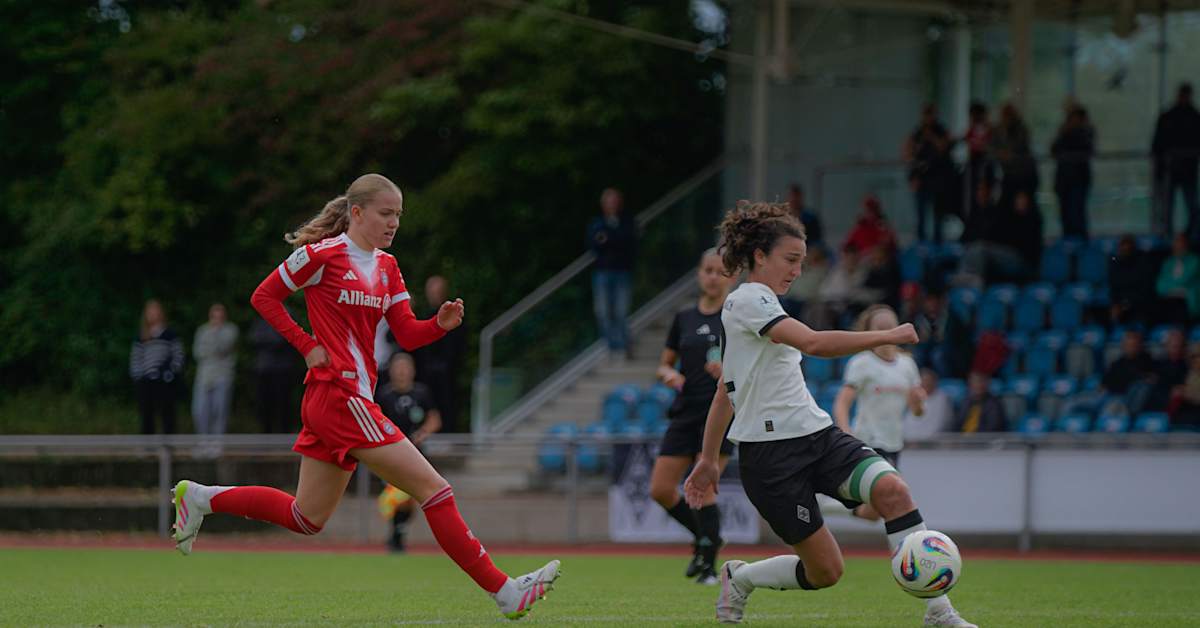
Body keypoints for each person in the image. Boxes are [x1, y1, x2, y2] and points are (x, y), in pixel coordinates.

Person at [169, 174, 559, 620]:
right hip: (340, 397)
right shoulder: (322, 255)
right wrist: (307, 345)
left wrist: (439, 324)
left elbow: (407, 333)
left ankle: (200, 498)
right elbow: (264, 296)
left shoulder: (388, 266)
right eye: (385, 213)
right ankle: (504, 591)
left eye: (398, 215)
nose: (394, 222)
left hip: (341, 401)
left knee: (306, 518)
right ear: (357, 213)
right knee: (435, 490)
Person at [683, 202, 975, 627]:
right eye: (792, 260)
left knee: (893, 491)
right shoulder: (747, 300)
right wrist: (888, 334)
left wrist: (709, 459)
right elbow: (814, 344)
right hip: (770, 458)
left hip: (817, 436)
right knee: (826, 572)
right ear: (760, 256)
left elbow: (724, 392)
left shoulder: (759, 308)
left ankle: (939, 613)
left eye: (801, 262)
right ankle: (740, 578)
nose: (798, 271)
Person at [651, 249, 736, 586]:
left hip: (720, 412)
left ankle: (709, 568)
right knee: (660, 488)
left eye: (719, 271)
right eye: (707, 270)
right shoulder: (683, 318)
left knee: (704, 487)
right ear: (700, 274)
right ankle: (707, 538)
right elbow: (663, 363)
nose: (713, 276)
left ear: (731, 277)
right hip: (685, 412)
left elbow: (755, 366)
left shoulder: (735, 318)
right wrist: (668, 375)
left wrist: (727, 371)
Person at [832, 304, 924, 522]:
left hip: (894, 442)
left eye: (890, 325)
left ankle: (832, 507)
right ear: (871, 330)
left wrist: (918, 402)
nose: (886, 330)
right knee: (896, 497)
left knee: (874, 513)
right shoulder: (862, 363)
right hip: (869, 440)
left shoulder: (907, 364)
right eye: (880, 327)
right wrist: (846, 433)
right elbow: (842, 402)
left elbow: (918, 411)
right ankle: (909, 546)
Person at [375, 352, 442, 552]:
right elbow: (376, 420)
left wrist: (422, 433)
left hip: (417, 454)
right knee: (395, 496)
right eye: (398, 368)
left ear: (412, 371)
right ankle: (396, 535)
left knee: (411, 498)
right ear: (391, 371)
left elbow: (434, 418)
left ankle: (397, 533)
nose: (402, 372)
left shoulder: (422, 393)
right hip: (391, 455)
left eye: (405, 368)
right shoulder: (384, 395)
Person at [413, 275, 467, 432]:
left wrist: (446, 365)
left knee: (447, 403)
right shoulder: (423, 315)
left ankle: (447, 432)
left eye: (436, 291)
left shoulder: (453, 314)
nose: (433, 294)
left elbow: (457, 346)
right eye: (430, 290)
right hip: (425, 371)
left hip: (446, 373)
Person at [587, 187, 636, 360]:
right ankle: (613, 347)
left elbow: (627, 242)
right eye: (608, 201)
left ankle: (623, 346)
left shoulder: (626, 221)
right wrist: (612, 239)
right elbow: (595, 244)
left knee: (621, 311)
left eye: (614, 201)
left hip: (622, 272)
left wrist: (609, 238)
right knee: (603, 312)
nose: (611, 205)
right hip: (602, 273)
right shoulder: (597, 223)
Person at [1151, 83, 1200, 243]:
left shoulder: (1193, 117)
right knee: (1169, 206)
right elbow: (1158, 145)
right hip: (1170, 169)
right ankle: (1169, 234)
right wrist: (1159, 168)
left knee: (1190, 204)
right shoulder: (1169, 117)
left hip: (1187, 169)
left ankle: (1189, 234)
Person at [130, 299, 184, 435]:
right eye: (150, 312)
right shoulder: (141, 336)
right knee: (146, 415)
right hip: (146, 380)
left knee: (167, 414)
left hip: (164, 379)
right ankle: (148, 446)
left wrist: (171, 372)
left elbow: (178, 355)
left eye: (155, 311)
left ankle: (167, 447)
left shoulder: (169, 334)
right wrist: (139, 377)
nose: (153, 314)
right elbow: (135, 359)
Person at [904, 104, 954, 243]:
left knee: (938, 216)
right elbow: (908, 153)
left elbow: (945, 147)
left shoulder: (941, 130)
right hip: (921, 179)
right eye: (926, 115)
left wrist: (931, 137)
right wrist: (913, 176)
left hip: (938, 179)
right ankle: (921, 244)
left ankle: (938, 244)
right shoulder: (917, 132)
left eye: (931, 114)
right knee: (921, 215)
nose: (928, 118)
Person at [192, 303, 238, 453]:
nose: (217, 318)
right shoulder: (202, 330)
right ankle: (203, 441)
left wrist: (215, 333)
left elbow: (222, 348)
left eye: (220, 315)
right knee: (200, 410)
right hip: (204, 376)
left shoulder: (230, 330)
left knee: (219, 410)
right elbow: (198, 352)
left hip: (223, 376)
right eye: (214, 315)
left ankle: (217, 443)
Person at [249, 314, 300, 433]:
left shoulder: (287, 315)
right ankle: (266, 433)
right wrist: (272, 339)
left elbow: (284, 339)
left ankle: (284, 433)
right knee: (264, 404)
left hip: (283, 369)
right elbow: (253, 338)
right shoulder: (260, 318)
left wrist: (266, 340)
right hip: (264, 369)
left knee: (283, 404)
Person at [1051, 105, 1095, 239]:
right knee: (1066, 215)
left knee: (1077, 214)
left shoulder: (1086, 132)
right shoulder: (1064, 132)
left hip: (1079, 179)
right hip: (1064, 179)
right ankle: (1069, 243)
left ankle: (1080, 244)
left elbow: (1087, 149)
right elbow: (1054, 150)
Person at [1109, 235, 1156, 325]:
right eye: (1123, 250)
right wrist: (1116, 305)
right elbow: (1114, 289)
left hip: (1141, 307)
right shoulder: (1116, 266)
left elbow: (1145, 290)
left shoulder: (1143, 264)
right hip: (1121, 307)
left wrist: (1124, 305)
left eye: (1128, 250)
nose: (1125, 252)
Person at [1155, 234, 1200, 324]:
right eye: (1176, 242)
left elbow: (1185, 280)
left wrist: (1170, 286)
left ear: (1186, 244)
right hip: (1168, 300)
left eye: (1180, 242)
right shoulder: (1168, 262)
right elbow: (1160, 286)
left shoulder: (1195, 261)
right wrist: (1174, 288)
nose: (1177, 246)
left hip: (1187, 301)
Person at [903, 368, 954, 441]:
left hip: (932, 443)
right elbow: (908, 421)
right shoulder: (915, 396)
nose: (926, 383)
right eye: (923, 381)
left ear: (935, 382)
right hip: (910, 441)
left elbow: (941, 424)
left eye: (929, 381)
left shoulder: (943, 398)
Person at [786, 183, 823, 248]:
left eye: (796, 196)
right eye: (792, 196)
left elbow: (817, 241)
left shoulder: (811, 218)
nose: (794, 199)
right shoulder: (781, 218)